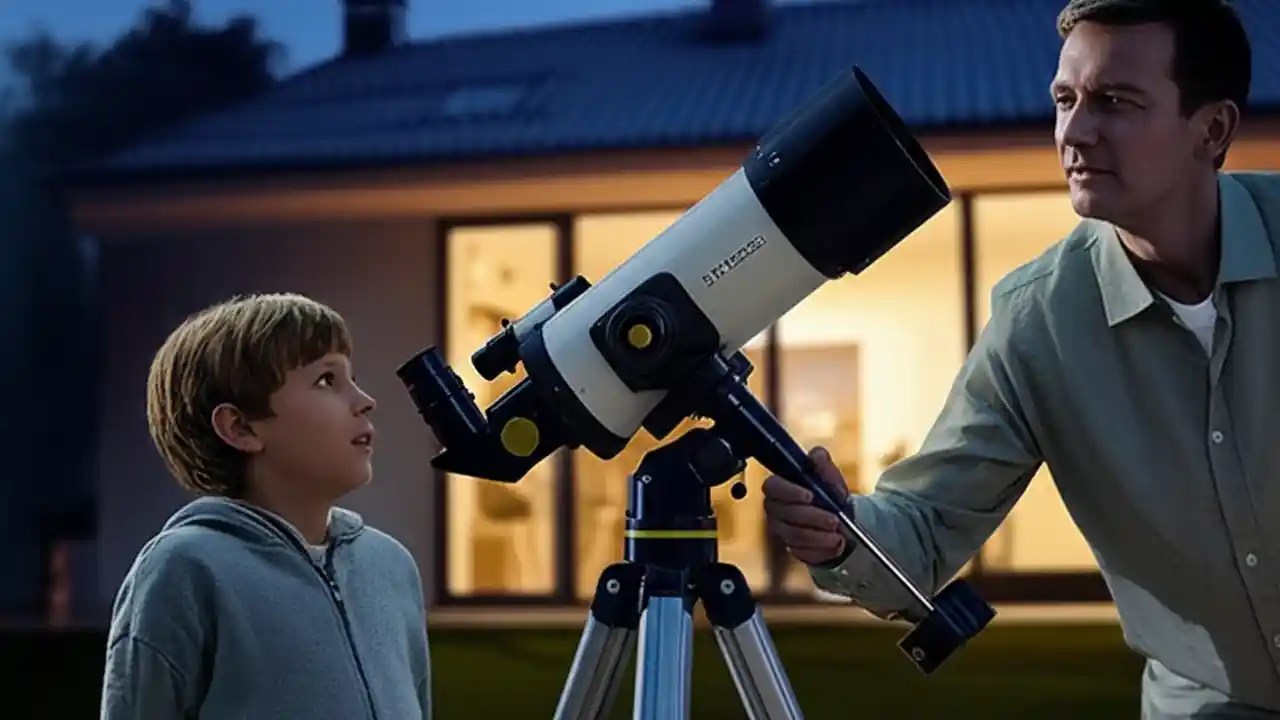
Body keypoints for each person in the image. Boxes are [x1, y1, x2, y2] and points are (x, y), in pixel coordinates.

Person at [763, 0, 1280, 717]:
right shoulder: (1038, 320)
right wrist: (841, 530)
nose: (1075, 131)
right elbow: (924, 531)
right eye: (1065, 100)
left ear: (1213, 128)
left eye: (1115, 102)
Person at [99, 292, 432, 719]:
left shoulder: (391, 567)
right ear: (240, 427)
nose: (365, 400)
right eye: (326, 381)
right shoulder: (183, 569)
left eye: (352, 377)